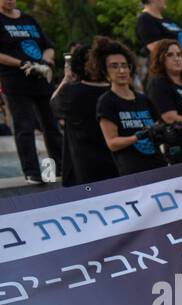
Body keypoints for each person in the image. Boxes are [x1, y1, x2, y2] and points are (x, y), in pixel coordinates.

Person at [0, 0, 60, 186]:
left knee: (51, 125)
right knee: (24, 127)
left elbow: (48, 46)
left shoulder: (29, 19)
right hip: (15, 80)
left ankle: (62, 167)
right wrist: (21, 64)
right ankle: (32, 172)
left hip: (41, 78)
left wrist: (46, 61)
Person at [95, 40, 168, 175]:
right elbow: (112, 143)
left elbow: (158, 126)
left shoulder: (143, 99)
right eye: (114, 66)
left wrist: (165, 132)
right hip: (133, 171)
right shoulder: (106, 102)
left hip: (159, 165)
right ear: (105, 72)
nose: (121, 70)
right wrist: (138, 137)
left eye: (124, 65)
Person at [51, 40, 116, 186]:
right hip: (116, 164)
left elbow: (53, 104)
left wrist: (66, 78)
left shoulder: (71, 92)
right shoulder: (116, 90)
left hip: (83, 170)